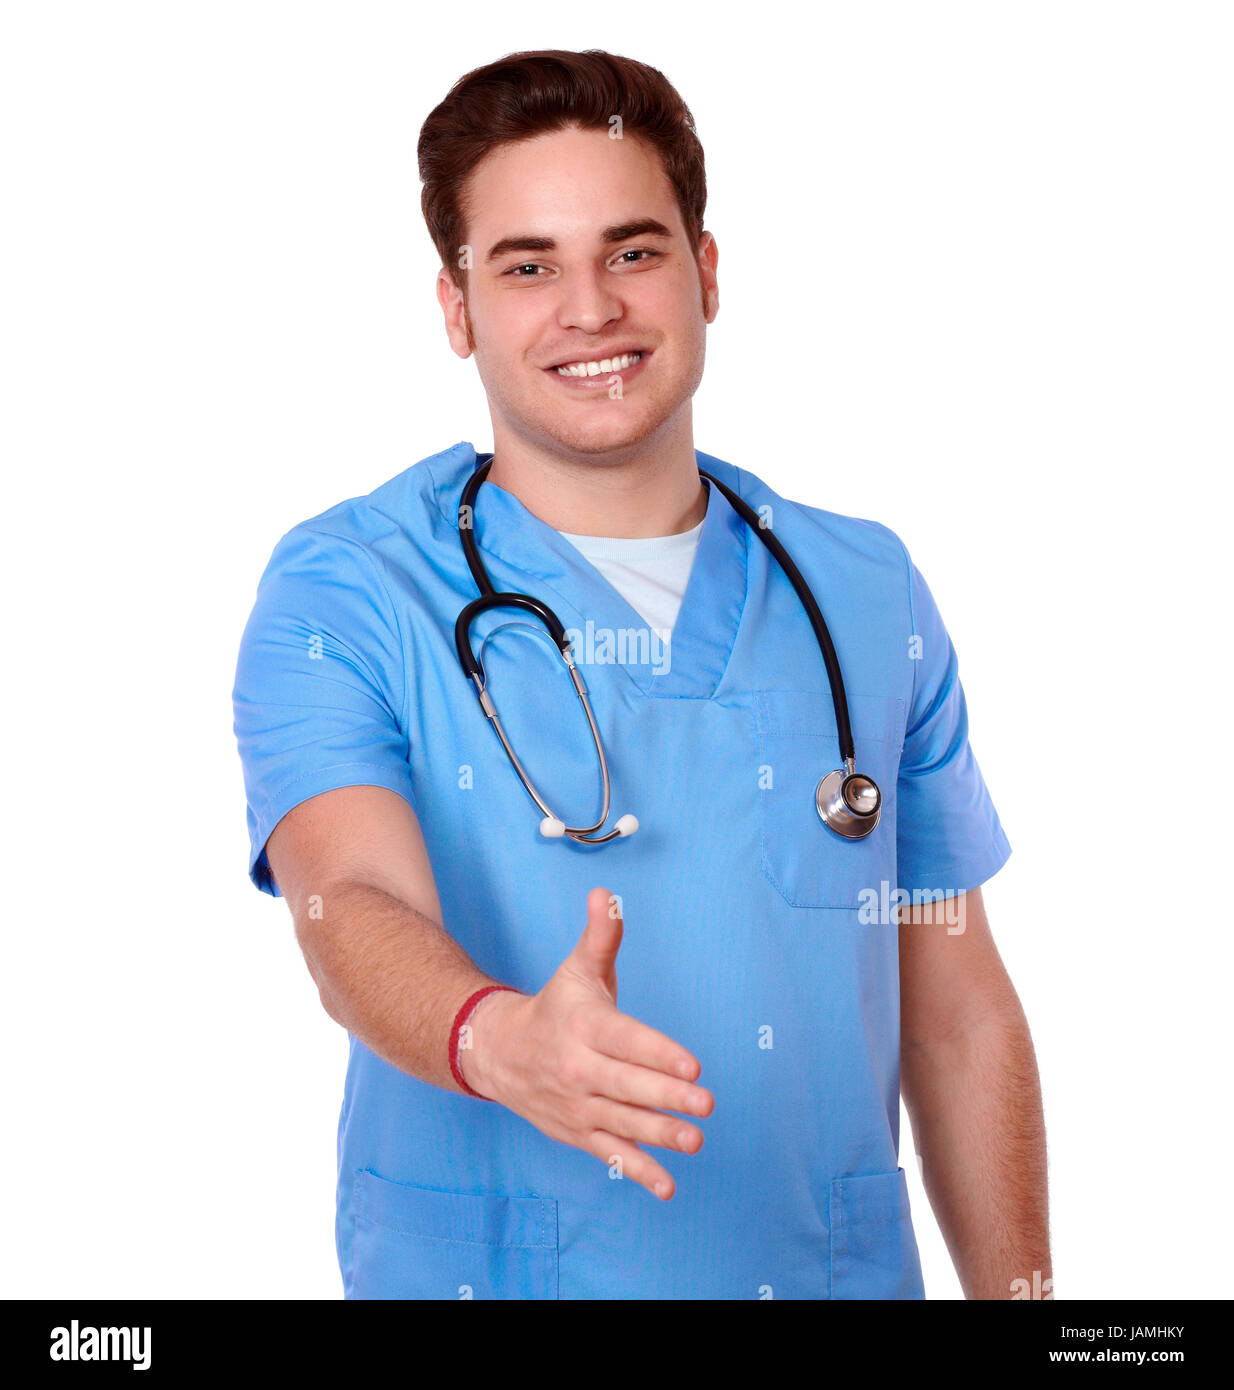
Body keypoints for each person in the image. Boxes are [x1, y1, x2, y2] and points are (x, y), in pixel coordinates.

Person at [232, 48, 1051, 1300]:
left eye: (632, 250)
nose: (591, 308)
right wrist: (496, 1038)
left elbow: (952, 1001)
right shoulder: (349, 591)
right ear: (456, 309)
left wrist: (1031, 1307)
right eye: (526, 266)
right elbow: (345, 902)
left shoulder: (864, 591)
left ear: (705, 272)